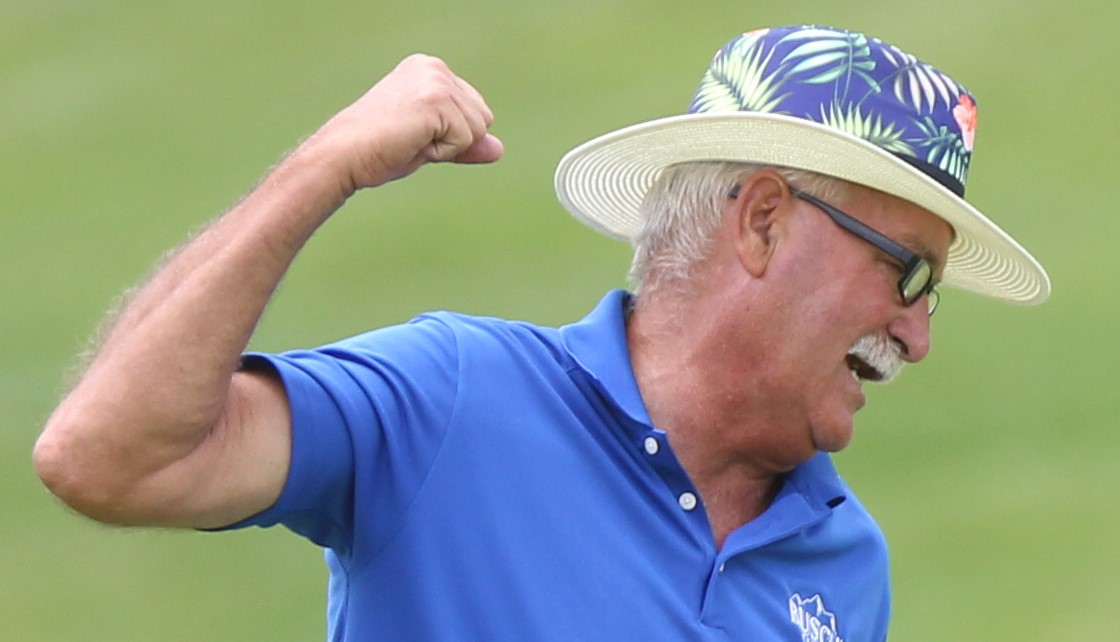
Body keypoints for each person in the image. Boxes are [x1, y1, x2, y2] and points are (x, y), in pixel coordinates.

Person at [34, 25, 1049, 641]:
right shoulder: (453, 401)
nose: (916, 335)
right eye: (905, 272)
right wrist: (323, 168)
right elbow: (106, 459)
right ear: (765, 221)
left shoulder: (844, 564)